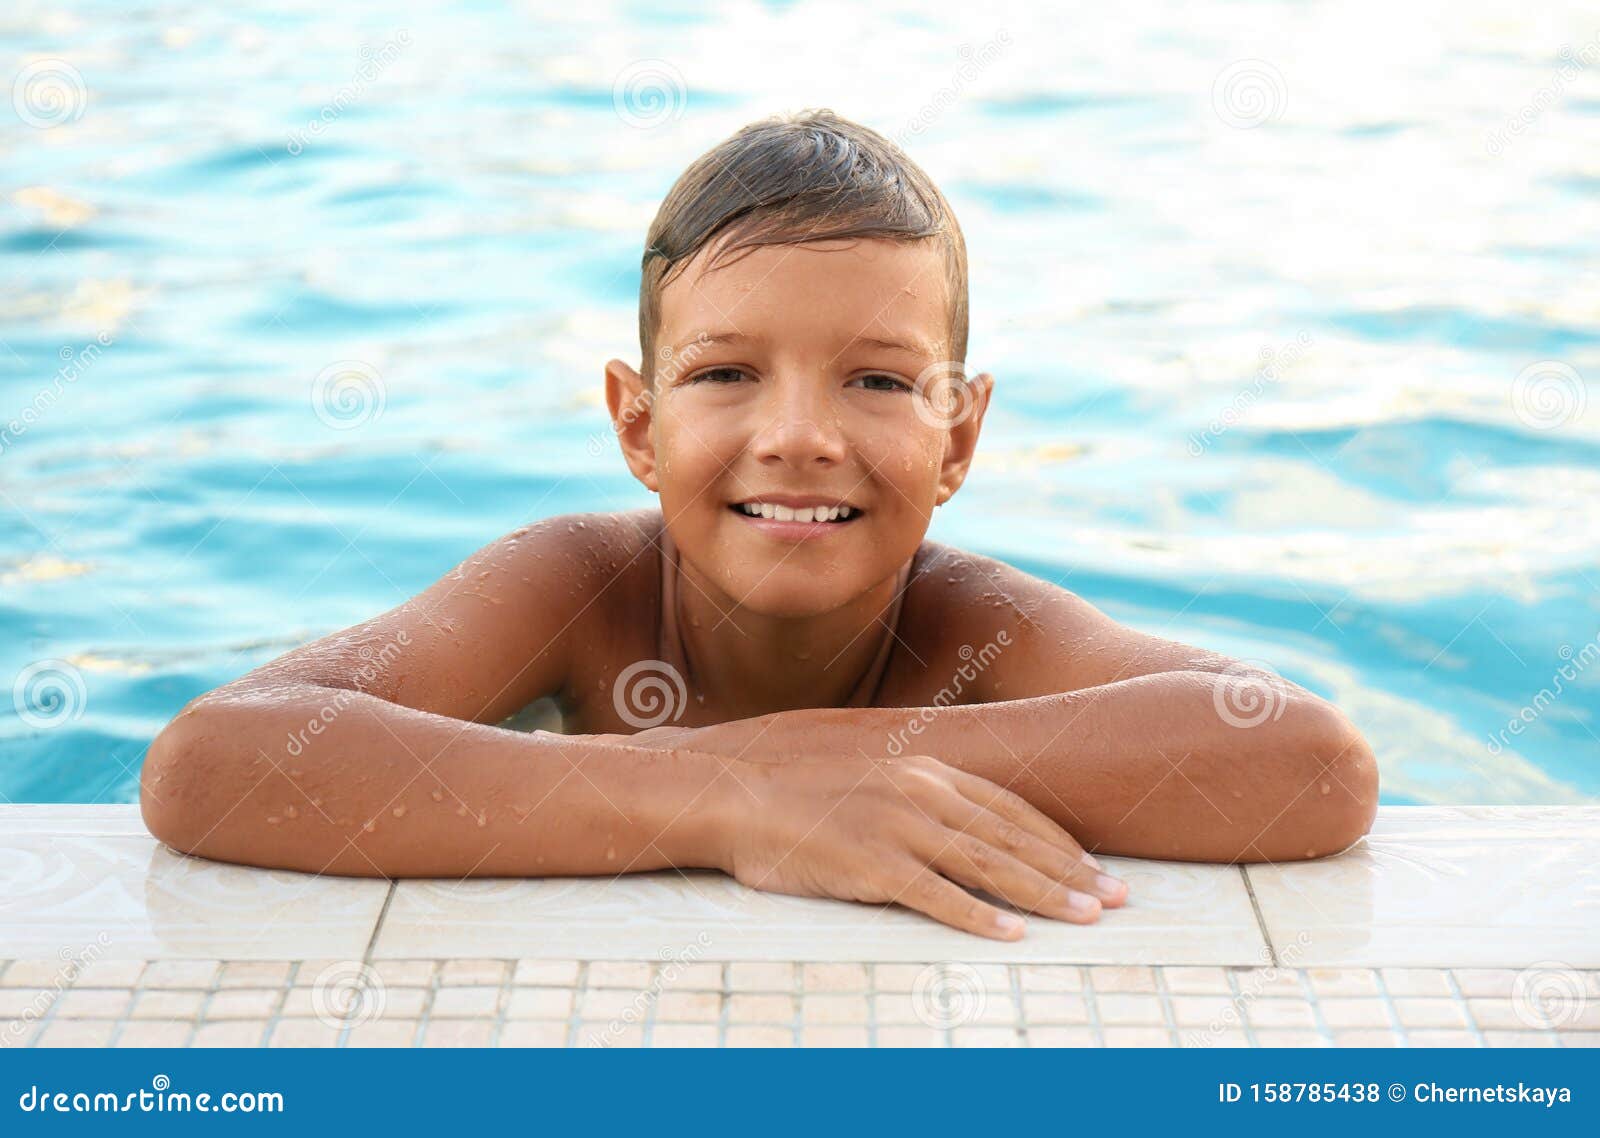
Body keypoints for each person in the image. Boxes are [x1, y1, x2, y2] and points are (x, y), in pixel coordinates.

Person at [141, 110, 1377, 940]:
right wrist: (733, 796)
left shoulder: (973, 630)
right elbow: (216, 760)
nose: (797, 436)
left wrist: (845, 766)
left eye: (879, 381)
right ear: (638, 426)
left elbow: (1307, 764)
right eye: (726, 373)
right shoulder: (576, 588)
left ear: (957, 437)